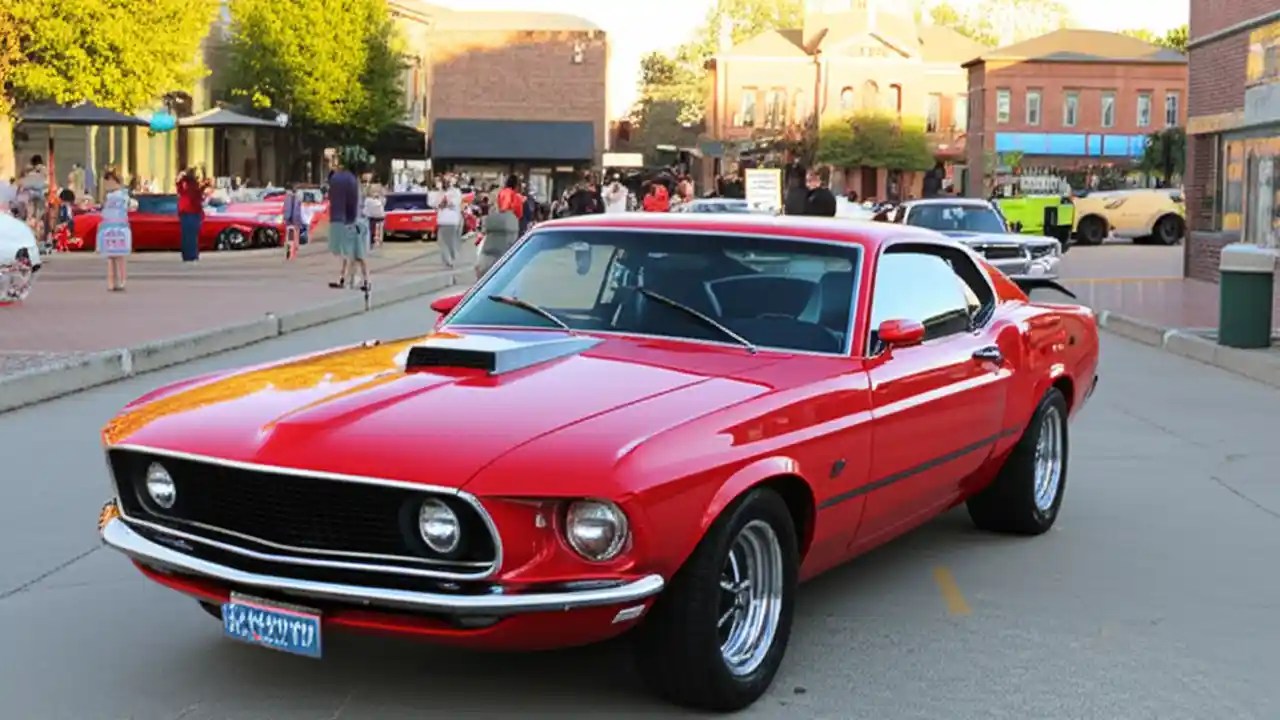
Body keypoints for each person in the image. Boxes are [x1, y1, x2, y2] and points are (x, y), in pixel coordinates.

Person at [326, 153, 369, 291]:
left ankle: (362, 280)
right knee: (351, 254)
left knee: (358, 255)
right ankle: (347, 279)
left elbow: (355, 205)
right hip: (355, 223)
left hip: (356, 224)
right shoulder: (354, 182)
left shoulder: (353, 183)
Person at [477, 174, 523, 278]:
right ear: (516, 185)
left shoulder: (499, 192)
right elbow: (518, 213)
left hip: (495, 223)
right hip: (509, 224)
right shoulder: (515, 195)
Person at [98, 170, 133, 291]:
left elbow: (129, 206)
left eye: (109, 181)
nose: (108, 184)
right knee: (111, 257)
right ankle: (111, 282)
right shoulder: (109, 196)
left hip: (119, 227)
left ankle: (121, 281)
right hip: (109, 227)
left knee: (119, 256)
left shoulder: (122, 195)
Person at [175, 167, 208, 262]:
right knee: (192, 236)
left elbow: (179, 186)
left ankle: (187, 255)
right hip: (193, 213)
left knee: (186, 236)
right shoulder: (193, 186)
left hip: (185, 213)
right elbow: (197, 196)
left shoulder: (184, 185)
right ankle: (192, 255)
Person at [435, 174, 464, 269]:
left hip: (451, 220)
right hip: (444, 220)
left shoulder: (455, 192)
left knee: (449, 242)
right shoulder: (440, 193)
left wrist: (444, 201)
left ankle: (451, 258)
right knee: (443, 242)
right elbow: (435, 204)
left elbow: (453, 203)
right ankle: (449, 260)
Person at [282, 182, 305, 259]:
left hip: (290, 221)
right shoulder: (297, 198)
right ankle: (293, 251)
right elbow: (298, 210)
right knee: (295, 236)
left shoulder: (288, 198)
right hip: (296, 220)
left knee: (290, 237)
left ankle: (290, 249)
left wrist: (286, 218)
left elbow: (287, 210)